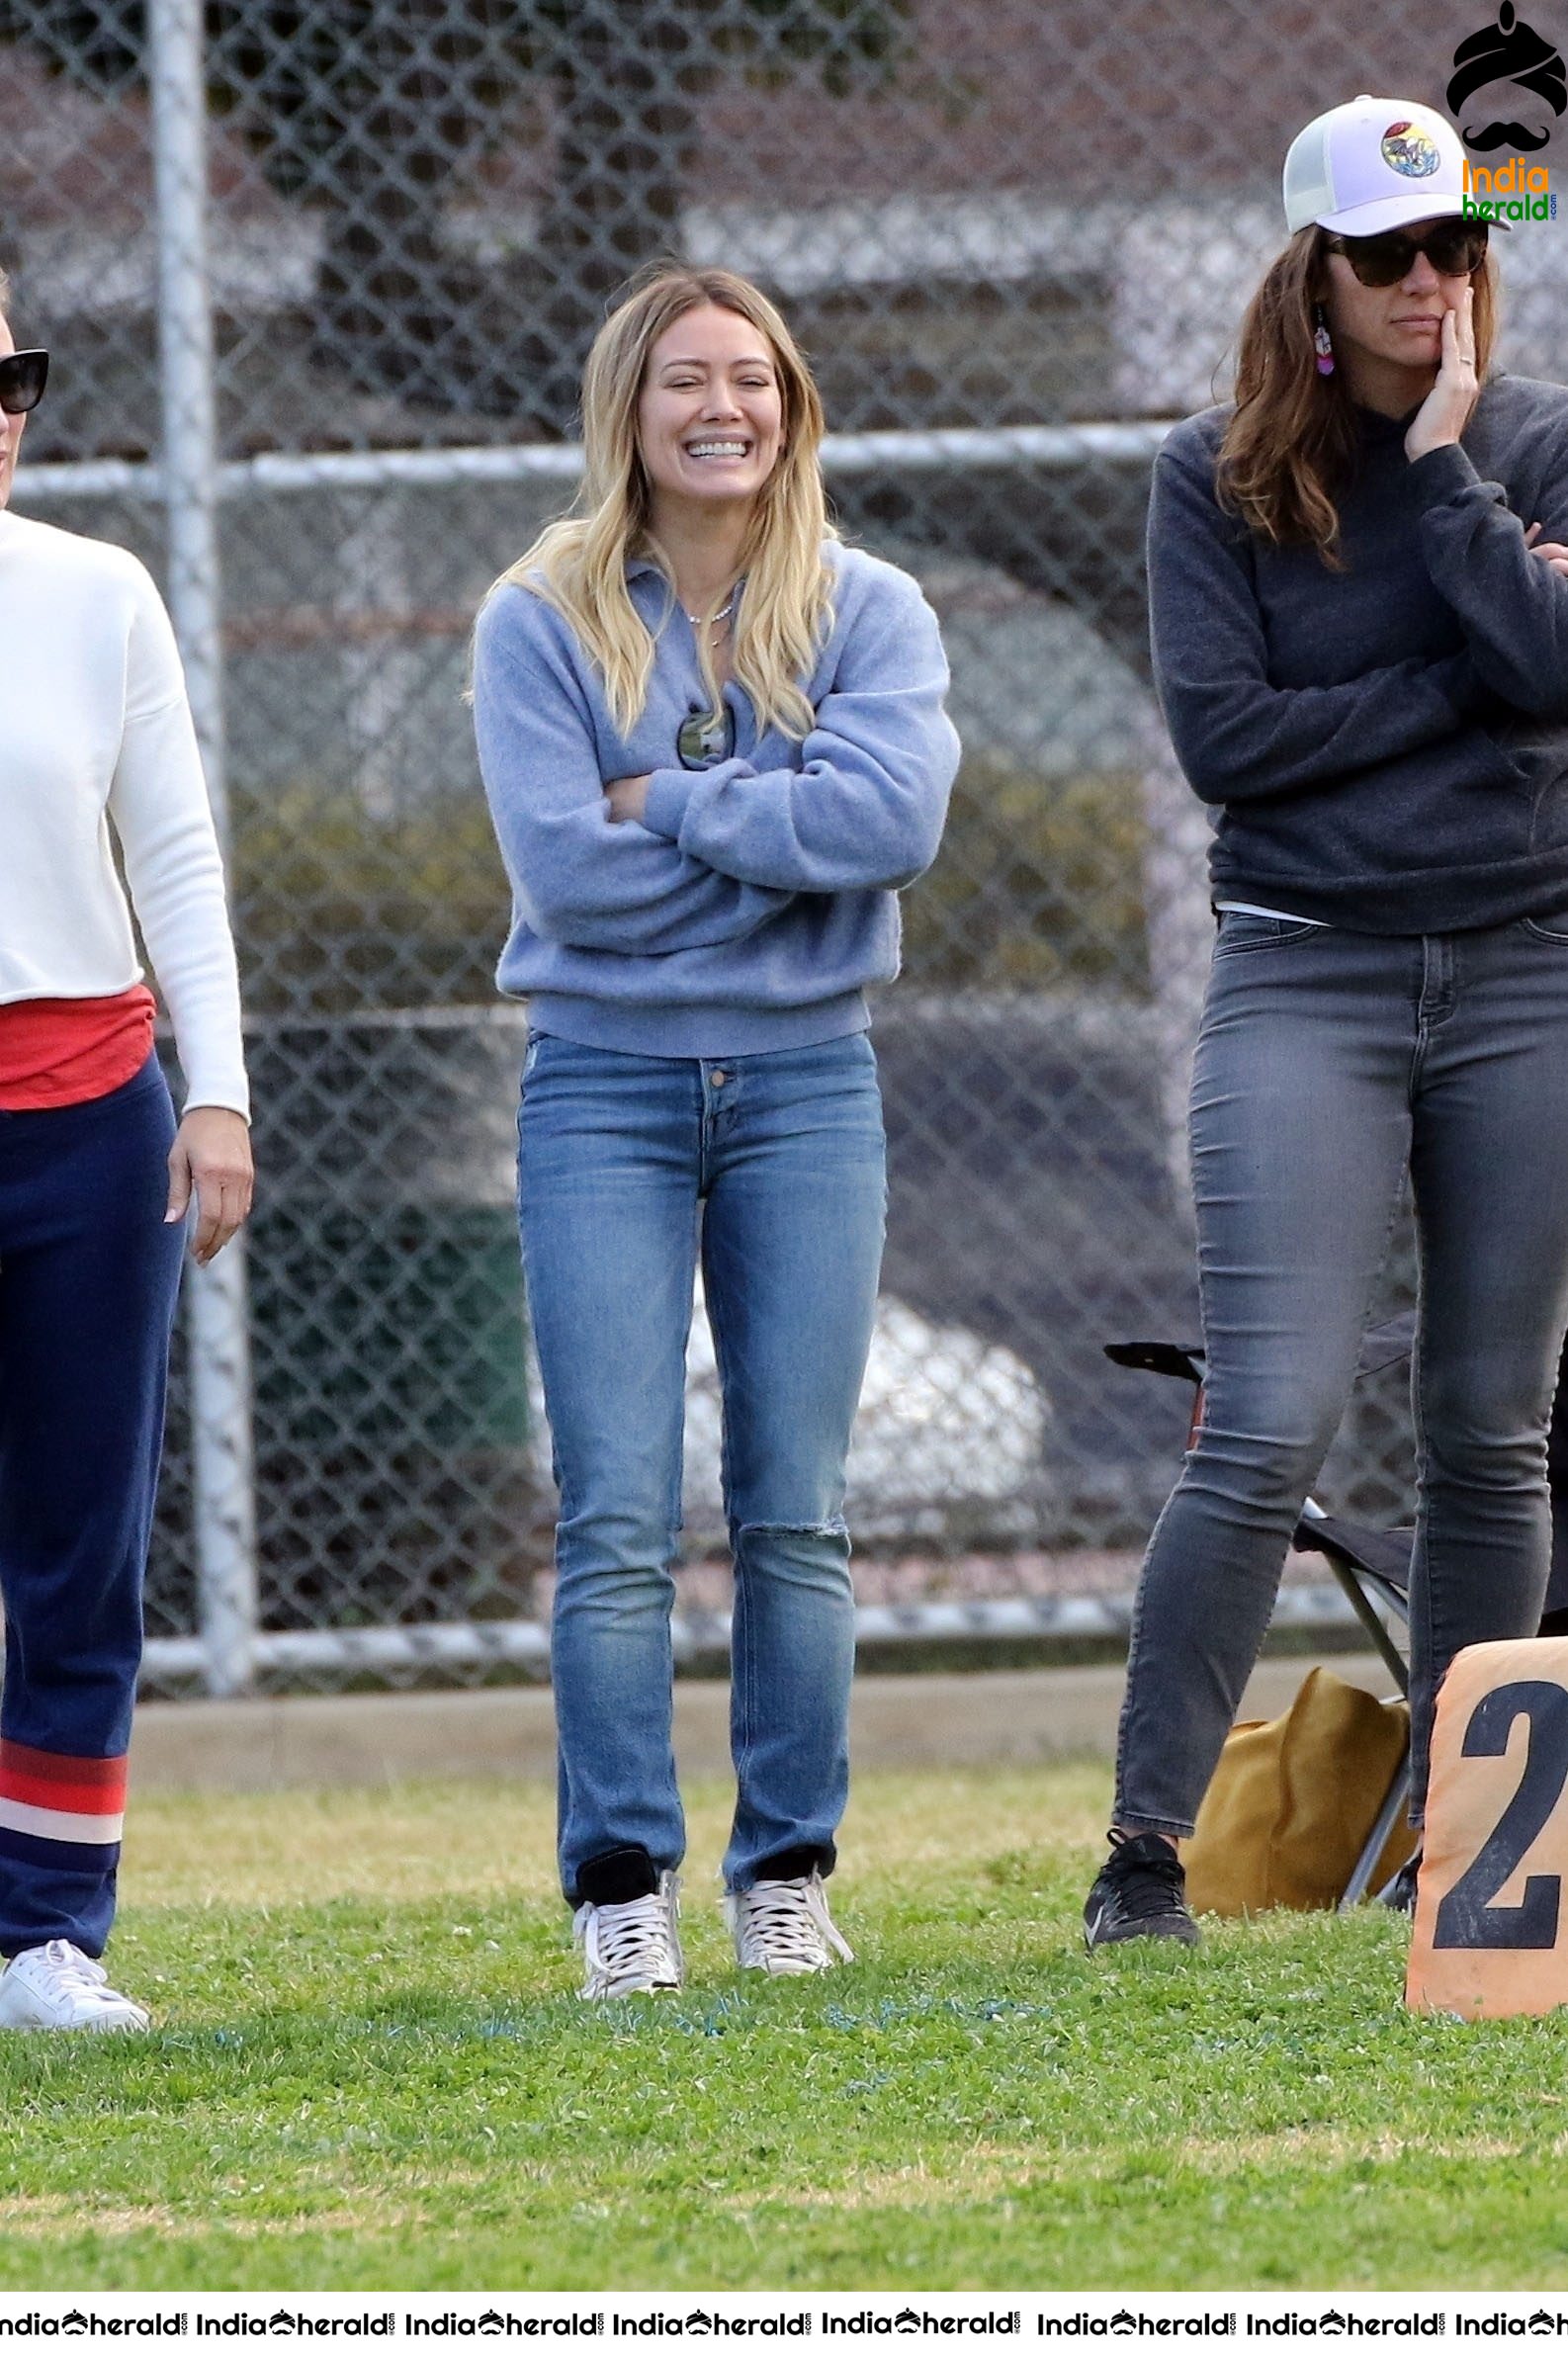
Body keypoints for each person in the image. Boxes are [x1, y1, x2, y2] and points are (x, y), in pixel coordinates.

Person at [1084, 96, 1568, 1948]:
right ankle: (1141, 1859)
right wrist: (1469, 667)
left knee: (1486, 1422)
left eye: (1455, 248)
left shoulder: (1532, 444)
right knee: (1266, 1419)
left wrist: (1452, 484)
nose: (1429, 284)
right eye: (1388, 257)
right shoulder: (1209, 474)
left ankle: (1468, 1858)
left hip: (1526, 969)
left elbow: (1553, 677)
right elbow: (1230, 750)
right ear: (1312, 277)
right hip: (1307, 968)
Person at [473, 264, 958, 1998]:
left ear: (790, 404)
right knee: (613, 1512)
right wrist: (781, 863)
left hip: (808, 1089)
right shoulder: (538, 617)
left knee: (794, 1510)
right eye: (685, 379)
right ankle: (620, 1891)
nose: (722, 408)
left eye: (750, 379)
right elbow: (563, 885)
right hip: (597, 1087)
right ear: (631, 410)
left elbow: (892, 819)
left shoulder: (867, 608)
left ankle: (786, 1873)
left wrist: (668, 800)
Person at [0, 279, 253, 2027]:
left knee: (80, 1547)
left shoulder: (96, 594)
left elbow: (175, 862)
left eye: (8, 370)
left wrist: (216, 1091)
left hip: (92, 1119)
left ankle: (46, 1938)